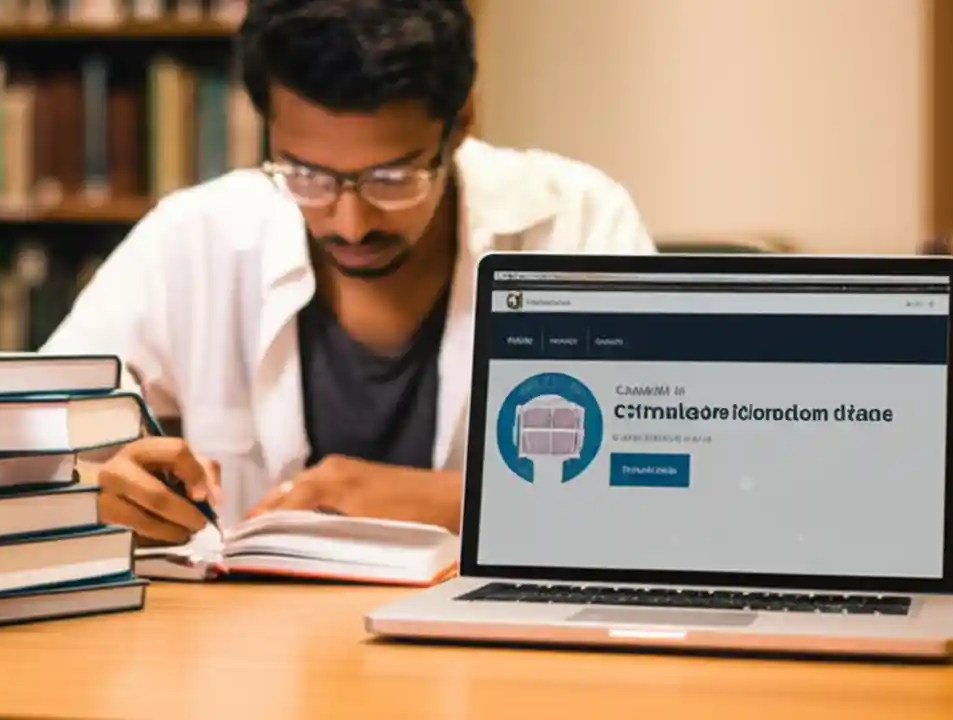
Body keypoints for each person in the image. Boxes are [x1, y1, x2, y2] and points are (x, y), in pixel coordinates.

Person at [40, 0, 655, 545]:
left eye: (393, 179)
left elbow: (667, 483)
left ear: (462, 120)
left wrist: (439, 502)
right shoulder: (198, 236)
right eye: (308, 176)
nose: (351, 223)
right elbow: (22, 443)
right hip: (251, 654)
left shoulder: (574, 223)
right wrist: (100, 484)